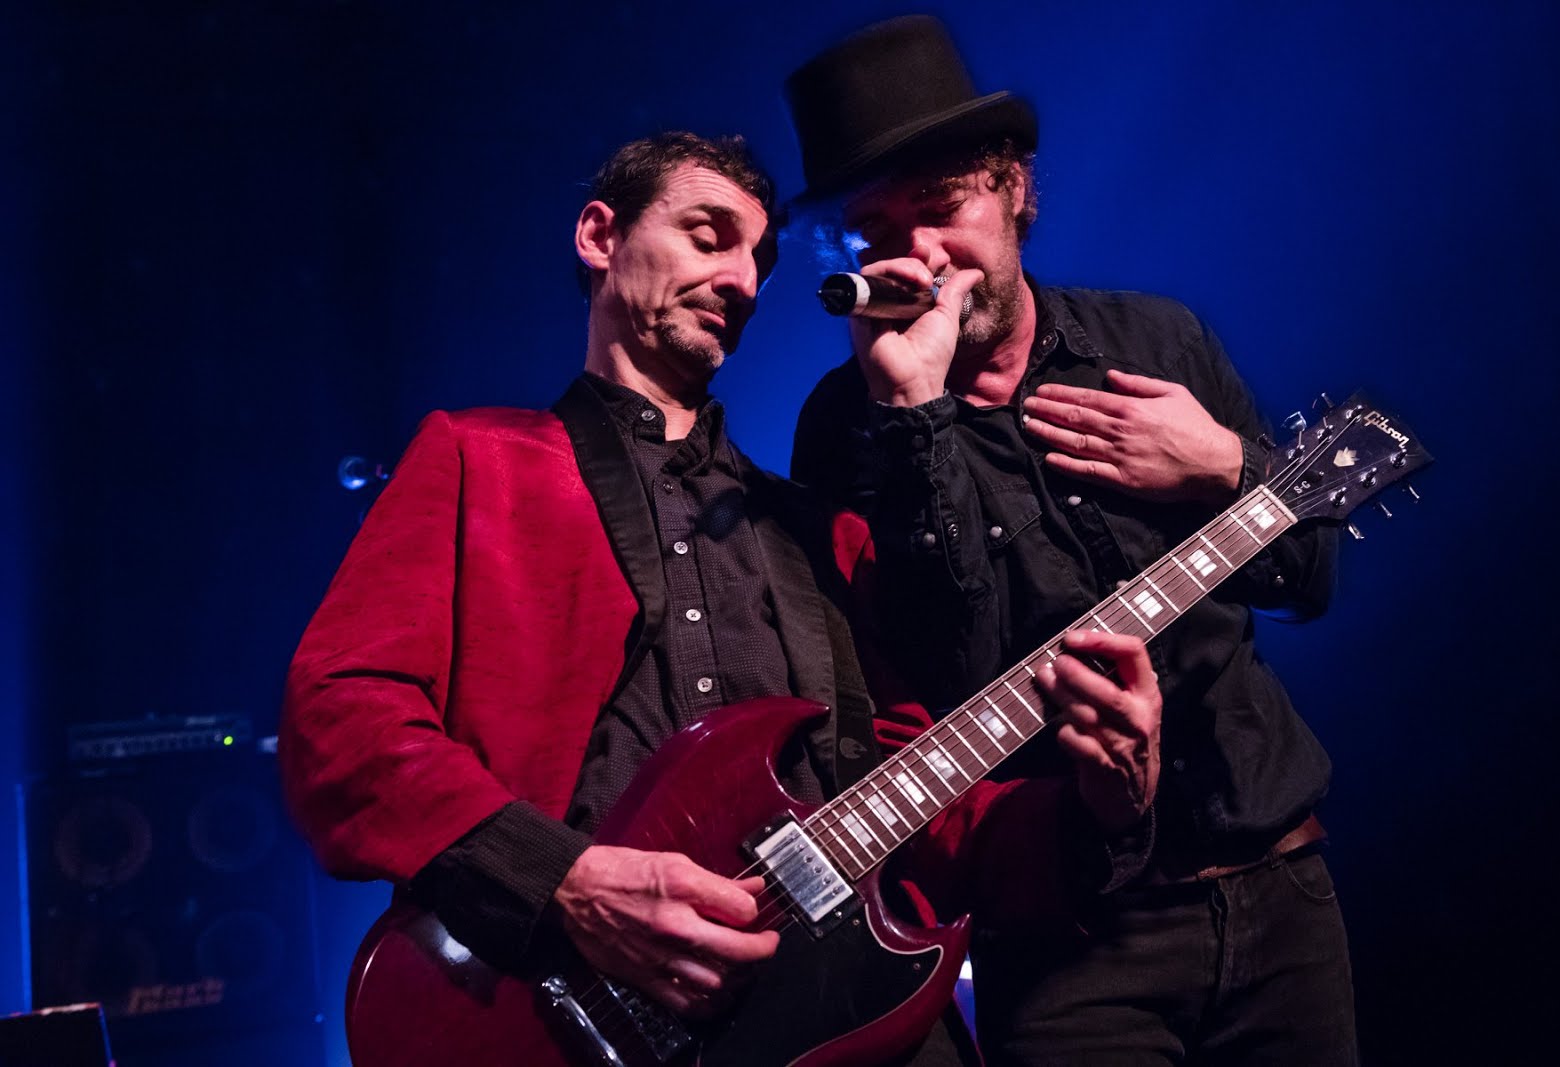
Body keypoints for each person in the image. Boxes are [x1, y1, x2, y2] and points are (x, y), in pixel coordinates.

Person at [278, 131, 1158, 1066]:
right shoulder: (478, 459)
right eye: (709, 237)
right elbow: (341, 716)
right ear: (598, 236)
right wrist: (564, 879)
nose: (743, 282)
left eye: (760, 260)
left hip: (839, 1028)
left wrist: (1098, 808)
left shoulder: (819, 530)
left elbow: (915, 798)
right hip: (545, 1019)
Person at [783, 16, 1356, 1066]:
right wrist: (915, 419)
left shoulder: (1156, 339)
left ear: (1012, 188)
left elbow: (1307, 580)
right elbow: (938, 672)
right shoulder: (846, 424)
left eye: (942, 207)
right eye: (875, 233)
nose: (919, 254)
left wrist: (1228, 467)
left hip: (1274, 883)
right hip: (1066, 940)